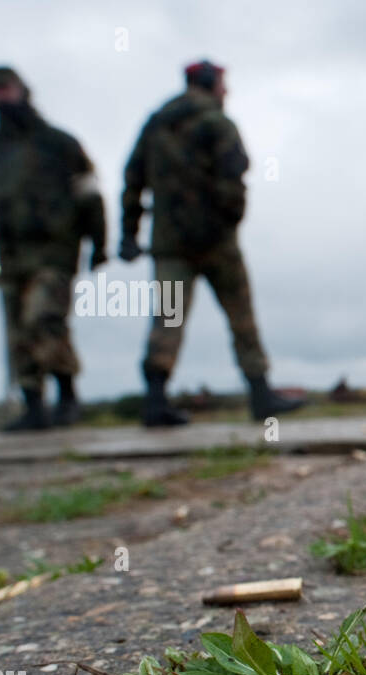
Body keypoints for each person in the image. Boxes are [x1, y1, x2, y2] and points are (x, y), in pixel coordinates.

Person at [120, 60, 304, 426]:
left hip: (170, 243)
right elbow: (234, 178)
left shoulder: (156, 125)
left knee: (168, 319)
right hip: (217, 243)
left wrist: (129, 234)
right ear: (208, 82)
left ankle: (155, 401)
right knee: (241, 316)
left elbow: (132, 180)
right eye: (222, 83)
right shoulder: (217, 123)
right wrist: (227, 223)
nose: (226, 91)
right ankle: (260, 394)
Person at [0, 66, 105, 430]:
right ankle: (33, 404)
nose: (1, 97)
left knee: (42, 318)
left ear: (23, 90)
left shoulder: (60, 143)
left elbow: (90, 194)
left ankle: (66, 392)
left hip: (56, 252)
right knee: (17, 330)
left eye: (6, 88)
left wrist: (100, 242)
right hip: (11, 256)